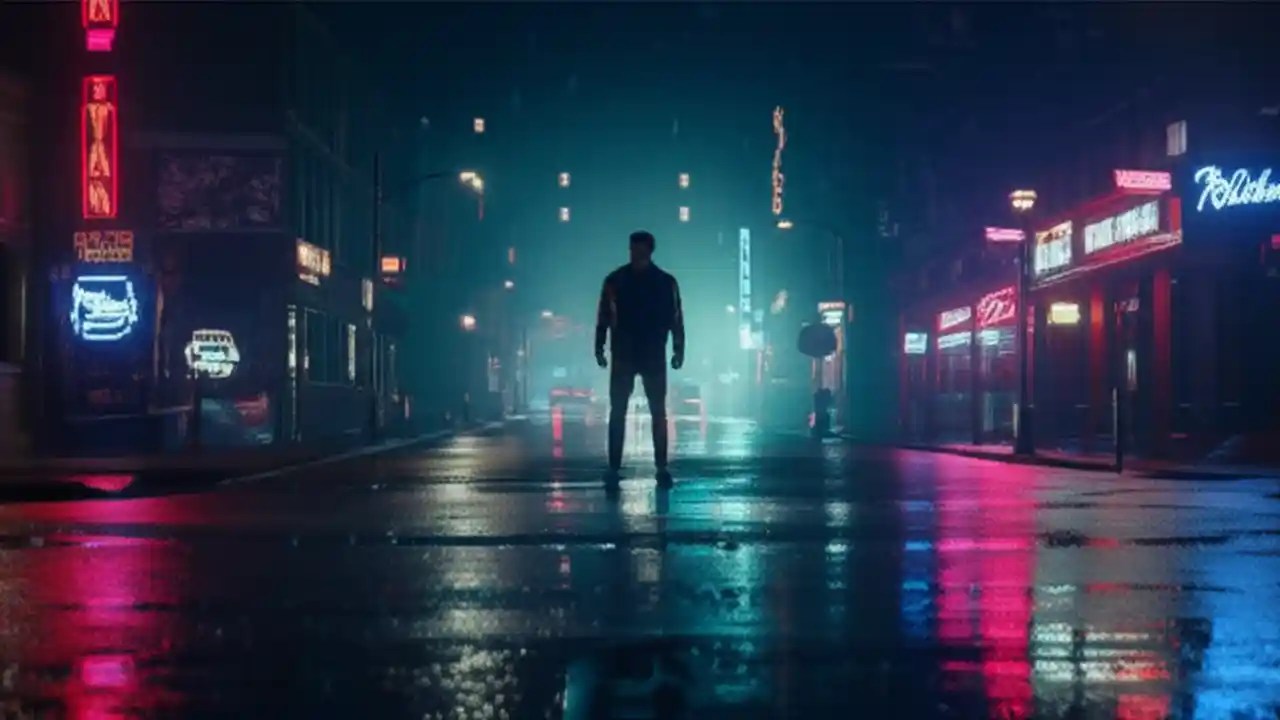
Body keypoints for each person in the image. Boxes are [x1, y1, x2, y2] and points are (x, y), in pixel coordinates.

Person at [595, 230, 685, 486]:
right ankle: (657, 467)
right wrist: (678, 348)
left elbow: (604, 315)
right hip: (647, 352)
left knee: (625, 412)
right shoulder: (664, 282)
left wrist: (600, 346)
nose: (635, 253)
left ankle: (620, 467)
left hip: (630, 352)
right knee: (652, 412)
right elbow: (675, 318)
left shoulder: (617, 280)